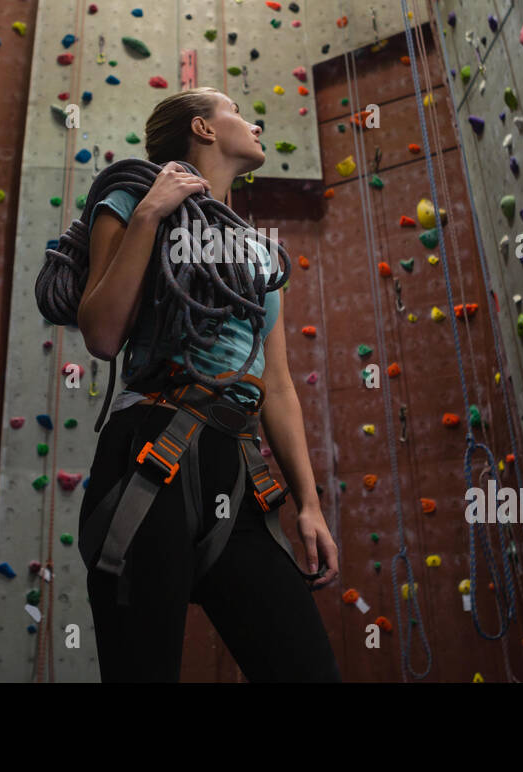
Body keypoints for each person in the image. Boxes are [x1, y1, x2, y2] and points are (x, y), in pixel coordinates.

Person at [75, 87, 341, 682]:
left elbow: (276, 385)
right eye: (237, 113)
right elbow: (101, 333)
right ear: (203, 128)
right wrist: (149, 212)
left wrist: (309, 504)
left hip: (238, 466)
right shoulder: (130, 199)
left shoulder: (256, 253)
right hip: (150, 451)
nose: (251, 122)